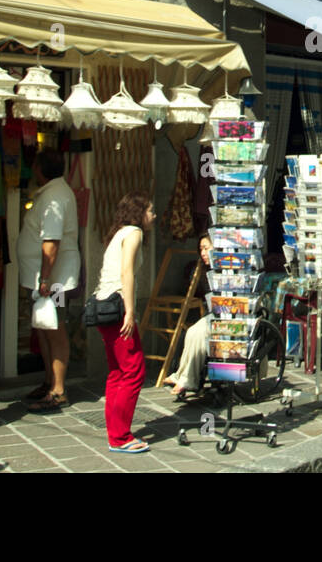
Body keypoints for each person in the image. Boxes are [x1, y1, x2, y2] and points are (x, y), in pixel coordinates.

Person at [17, 150, 81, 411]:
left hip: (54, 279)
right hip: (45, 277)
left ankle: (58, 389)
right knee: (44, 327)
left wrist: (45, 277)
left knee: (55, 329)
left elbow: (51, 241)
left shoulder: (55, 196)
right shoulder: (51, 192)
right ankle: (49, 380)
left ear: (40, 168)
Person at [93, 191, 153, 453]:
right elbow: (126, 272)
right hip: (117, 308)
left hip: (103, 305)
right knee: (134, 371)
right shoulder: (134, 233)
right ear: (139, 213)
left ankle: (115, 432)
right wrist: (130, 311)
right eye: (150, 210)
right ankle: (120, 437)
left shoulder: (118, 232)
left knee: (118, 371)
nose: (153, 215)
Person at [163, 235, 214, 397]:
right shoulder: (204, 270)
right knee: (191, 333)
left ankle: (186, 378)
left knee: (196, 332)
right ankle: (184, 377)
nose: (203, 253)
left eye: (207, 248)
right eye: (201, 249)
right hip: (211, 315)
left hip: (221, 316)